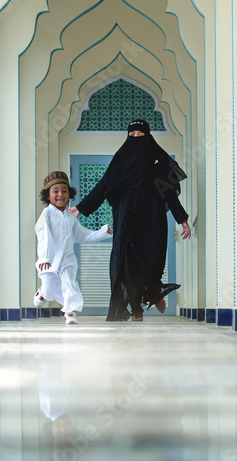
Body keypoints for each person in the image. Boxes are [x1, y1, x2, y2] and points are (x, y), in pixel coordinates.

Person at [70, 119, 192, 322]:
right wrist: (81, 208)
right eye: (132, 135)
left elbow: (170, 195)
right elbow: (102, 186)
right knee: (124, 265)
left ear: (148, 137)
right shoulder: (120, 163)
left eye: (140, 135)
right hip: (125, 222)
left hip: (151, 223)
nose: (135, 139)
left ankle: (153, 292)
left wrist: (183, 220)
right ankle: (136, 307)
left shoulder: (158, 165)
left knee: (148, 263)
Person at [33, 170, 112, 325]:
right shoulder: (47, 214)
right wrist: (45, 258)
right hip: (49, 260)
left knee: (70, 284)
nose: (60, 194)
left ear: (70, 194)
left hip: (67, 259)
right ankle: (42, 293)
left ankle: (69, 313)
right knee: (49, 289)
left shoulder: (70, 217)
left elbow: (83, 236)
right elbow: (44, 236)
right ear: (48, 196)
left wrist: (103, 233)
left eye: (64, 191)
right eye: (55, 191)